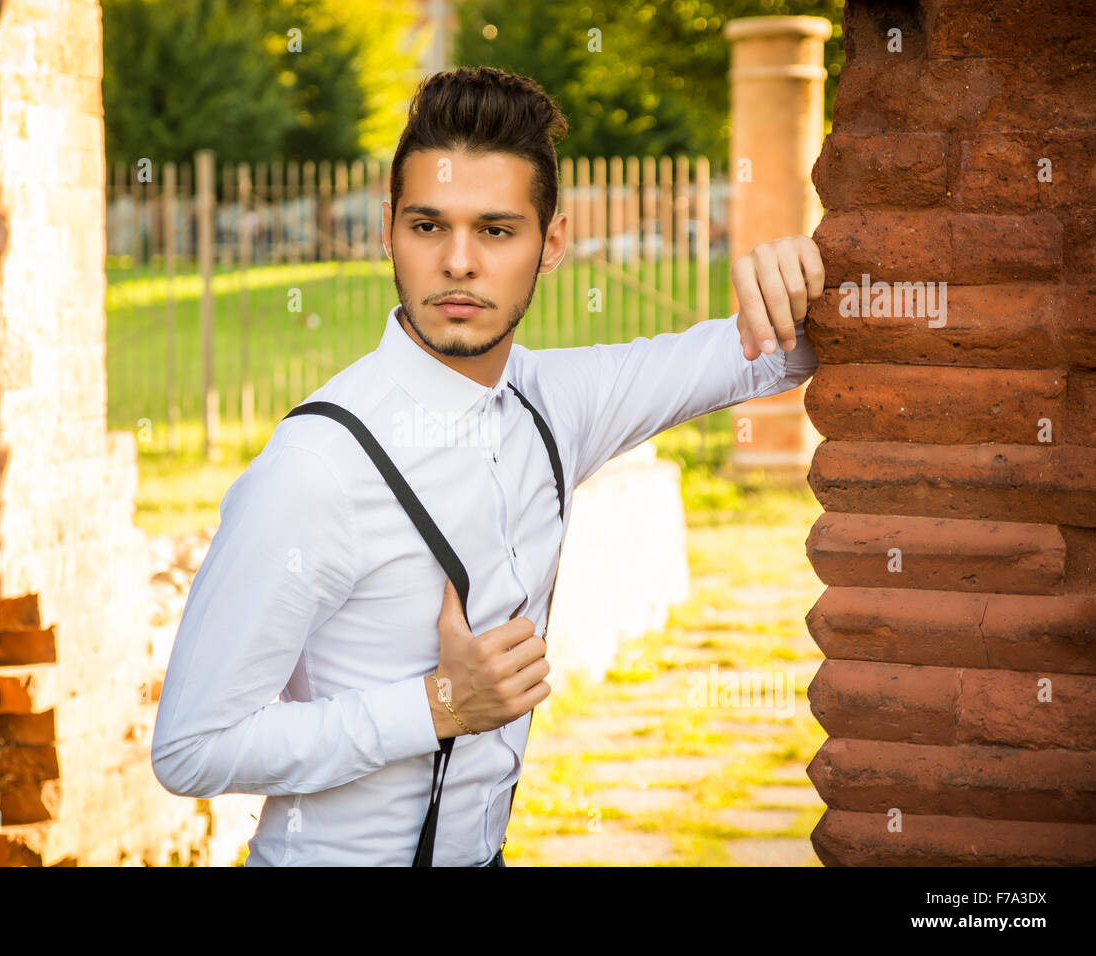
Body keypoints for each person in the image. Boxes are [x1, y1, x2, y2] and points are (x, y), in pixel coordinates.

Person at [150, 66, 823, 866]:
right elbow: (191, 747)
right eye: (429, 227)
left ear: (553, 244)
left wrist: (800, 266)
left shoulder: (554, 404)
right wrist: (436, 706)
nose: (459, 262)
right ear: (388, 230)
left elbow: (775, 352)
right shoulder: (315, 469)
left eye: (497, 230)